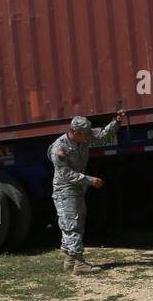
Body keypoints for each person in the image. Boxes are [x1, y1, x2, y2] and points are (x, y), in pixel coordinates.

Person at [49, 111, 124, 274]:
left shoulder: (83, 137)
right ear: (75, 133)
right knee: (72, 224)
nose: (88, 138)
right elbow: (66, 174)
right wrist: (91, 180)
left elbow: (103, 135)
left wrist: (116, 121)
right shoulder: (59, 148)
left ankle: (70, 259)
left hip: (77, 188)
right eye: (85, 135)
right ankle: (79, 263)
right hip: (65, 189)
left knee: (78, 220)